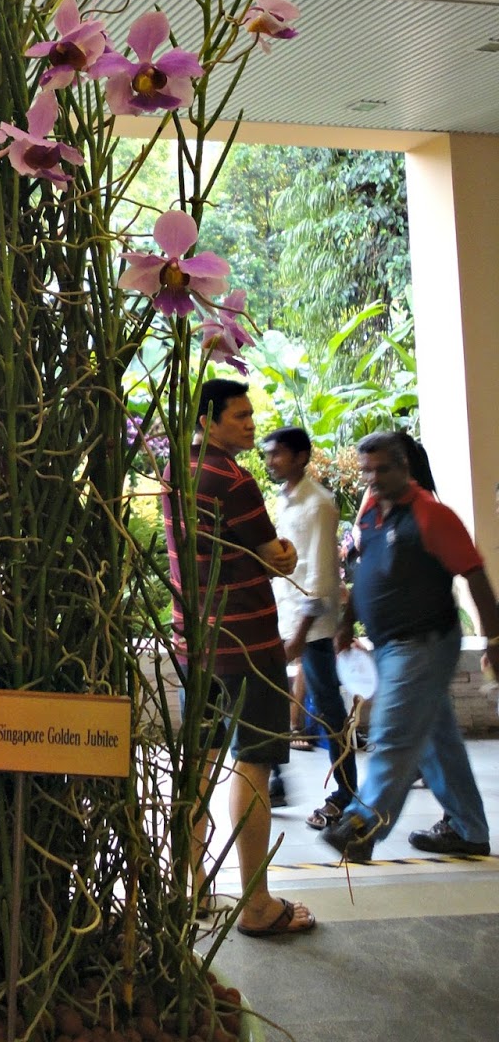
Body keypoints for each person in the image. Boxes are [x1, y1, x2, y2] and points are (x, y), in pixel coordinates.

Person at [165, 378, 316, 938]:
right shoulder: (233, 479)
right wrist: (285, 556)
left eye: (252, 415)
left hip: (193, 643)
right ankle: (256, 907)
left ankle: (197, 887)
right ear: (207, 421)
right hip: (246, 645)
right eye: (238, 416)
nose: (251, 424)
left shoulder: (175, 471)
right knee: (252, 763)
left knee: (197, 768)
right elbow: (275, 558)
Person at [320, 431, 499, 862]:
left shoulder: (431, 515)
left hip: (424, 643)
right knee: (437, 740)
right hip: (387, 646)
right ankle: (467, 829)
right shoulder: (369, 515)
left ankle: (360, 828)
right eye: (368, 470)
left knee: (394, 735)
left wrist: (494, 639)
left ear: (404, 466)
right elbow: (363, 572)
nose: (375, 477)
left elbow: (474, 575)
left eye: (384, 468)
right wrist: (346, 624)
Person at [261, 427, 358, 828]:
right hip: (288, 619)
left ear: (301, 457)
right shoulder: (287, 500)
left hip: (313, 628)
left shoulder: (318, 503)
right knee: (271, 701)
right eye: (267, 454)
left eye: (278, 454)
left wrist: (300, 634)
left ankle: (347, 794)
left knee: (330, 715)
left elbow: (319, 574)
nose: (270, 461)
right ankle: (276, 778)